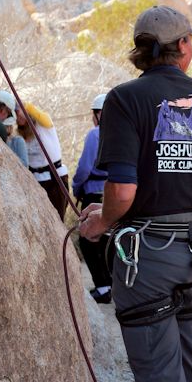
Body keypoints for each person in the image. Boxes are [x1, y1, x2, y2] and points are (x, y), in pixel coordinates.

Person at [78, 5, 192, 382]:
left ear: (142, 51)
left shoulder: (125, 99)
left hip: (150, 258)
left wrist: (99, 221)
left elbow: (122, 193)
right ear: (182, 46)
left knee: (161, 380)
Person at [72, 94, 111, 303]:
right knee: (110, 240)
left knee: (87, 239)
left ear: (99, 113)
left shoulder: (95, 134)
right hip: (117, 193)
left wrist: (77, 188)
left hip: (94, 192)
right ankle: (112, 283)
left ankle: (103, 287)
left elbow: (85, 168)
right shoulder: (126, 132)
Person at [13, 99, 69, 221]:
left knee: (57, 220)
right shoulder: (19, 134)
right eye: (15, 114)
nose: (18, 117)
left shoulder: (43, 124)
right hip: (37, 181)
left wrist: (24, 106)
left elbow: (40, 115)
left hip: (55, 179)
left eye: (19, 112)